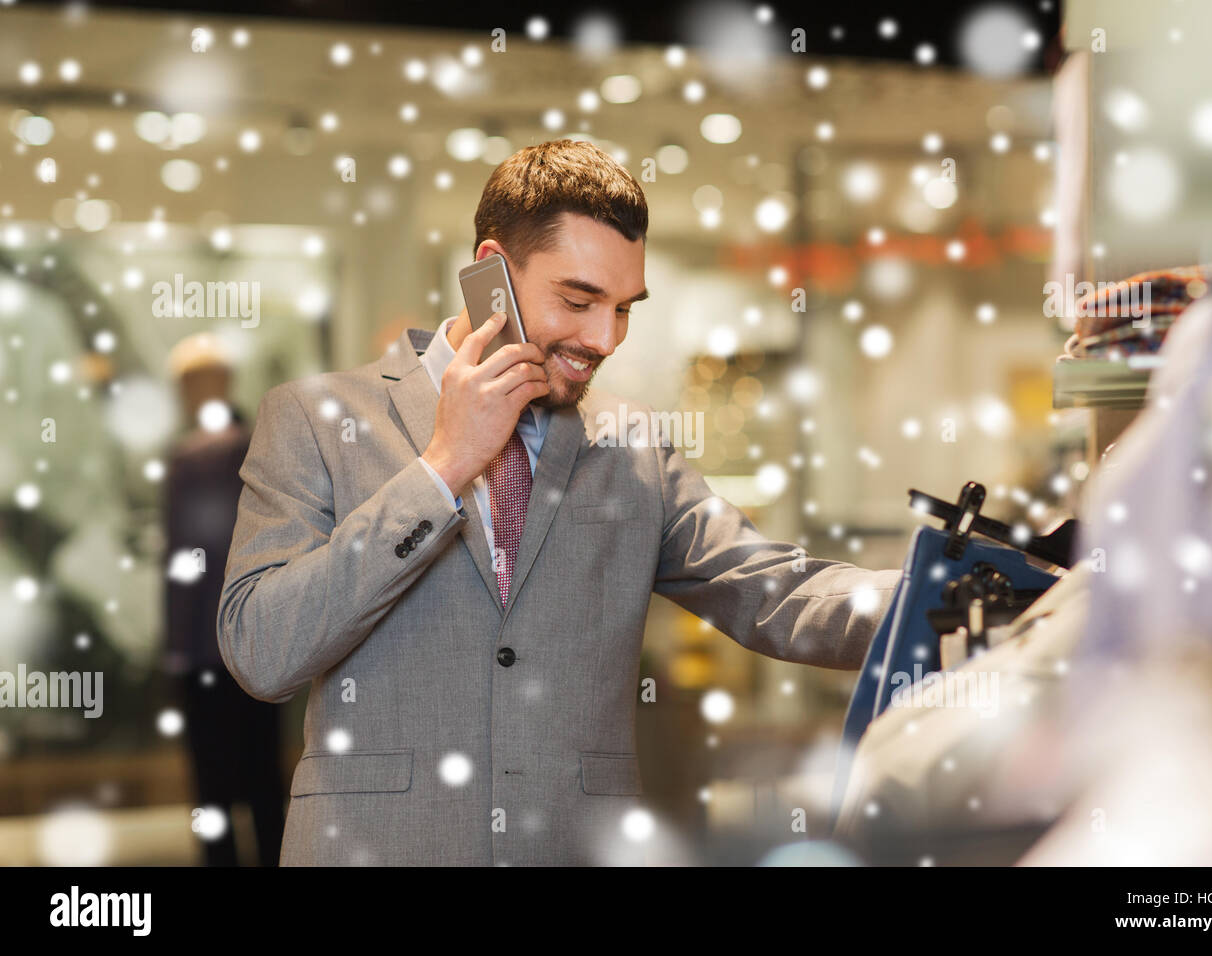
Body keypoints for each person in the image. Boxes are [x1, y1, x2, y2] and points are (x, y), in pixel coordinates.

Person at [218, 139, 900, 866]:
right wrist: (443, 466)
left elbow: (777, 590)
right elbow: (262, 650)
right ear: (491, 273)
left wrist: (968, 597)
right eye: (577, 300)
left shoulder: (633, 446)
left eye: (623, 308)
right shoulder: (316, 419)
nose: (603, 338)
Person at [163, 333, 284, 866]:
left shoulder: (199, 455)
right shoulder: (255, 445)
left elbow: (186, 562)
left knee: (219, 787)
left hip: (209, 644)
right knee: (262, 780)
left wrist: (177, 647)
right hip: (254, 637)